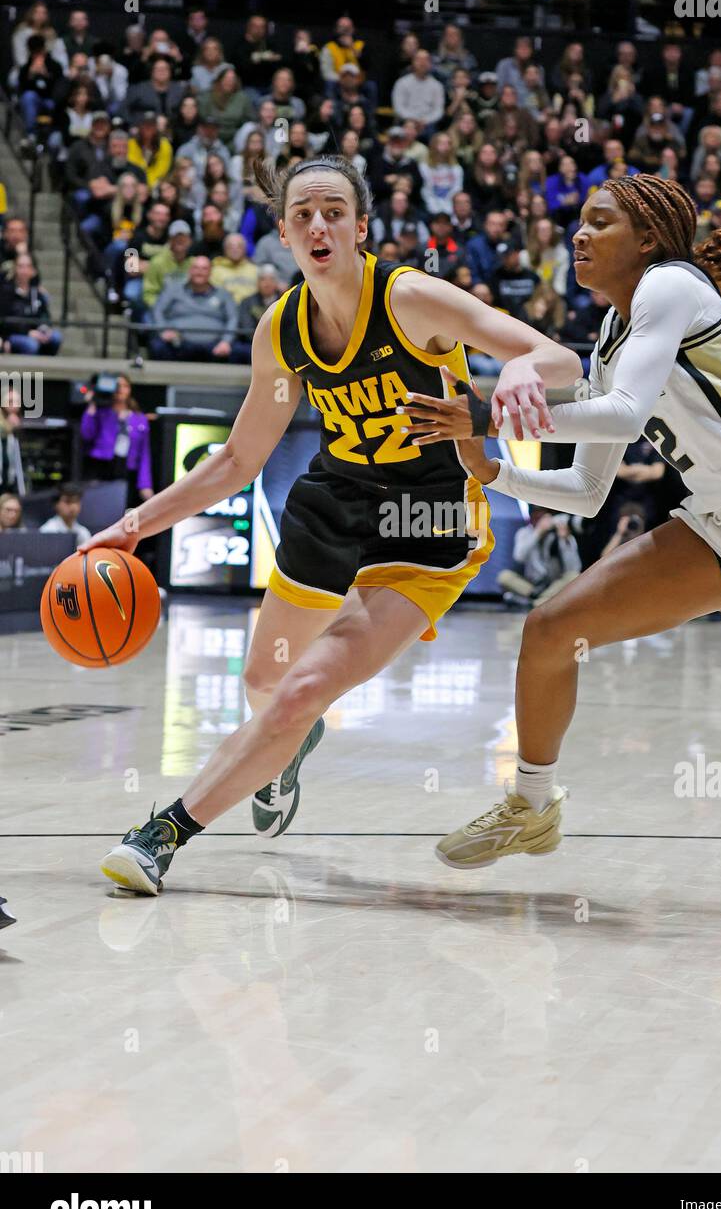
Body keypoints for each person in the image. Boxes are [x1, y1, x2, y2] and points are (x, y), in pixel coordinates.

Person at [85, 153, 582, 895]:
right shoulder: (281, 333)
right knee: (264, 681)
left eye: (334, 211)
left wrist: (518, 371)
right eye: (302, 215)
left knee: (299, 690)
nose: (319, 225)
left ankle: (161, 835)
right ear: (284, 235)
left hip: (427, 524)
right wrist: (134, 523)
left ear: (361, 227)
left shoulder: (412, 299)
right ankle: (284, 754)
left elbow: (562, 359)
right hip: (334, 505)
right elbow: (236, 461)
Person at [403, 174, 721, 869]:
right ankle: (531, 806)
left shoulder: (670, 285)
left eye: (600, 222)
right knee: (552, 629)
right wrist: (494, 471)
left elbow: (620, 412)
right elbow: (589, 490)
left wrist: (490, 412)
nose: (579, 235)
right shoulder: (613, 338)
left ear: (646, 237)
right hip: (717, 519)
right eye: (579, 223)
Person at [80, 375, 154, 503]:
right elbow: (86, 435)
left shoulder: (139, 418)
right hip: (101, 468)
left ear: (130, 389)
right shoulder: (101, 413)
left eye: (125, 386)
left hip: (127, 468)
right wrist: (92, 404)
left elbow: (144, 454)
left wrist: (145, 484)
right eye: (117, 386)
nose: (121, 390)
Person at [497, 507, 582, 607]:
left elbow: (574, 568)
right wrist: (538, 533)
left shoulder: (559, 535)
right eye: (535, 514)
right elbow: (519, 557)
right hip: (532, 586)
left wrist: (564, 540)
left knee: (574, 576)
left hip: (554, 585)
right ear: (530, 516)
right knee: (504, 576)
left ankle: (533, 603)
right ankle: (542, 601)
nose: (538, 518)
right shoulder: (524, 532)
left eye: (541, 515)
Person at [40, 483, 91, 547]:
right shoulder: (47, 531)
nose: (73, 507)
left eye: (76, 501)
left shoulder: (83, 532)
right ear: (56, 504)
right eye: (68, 501)